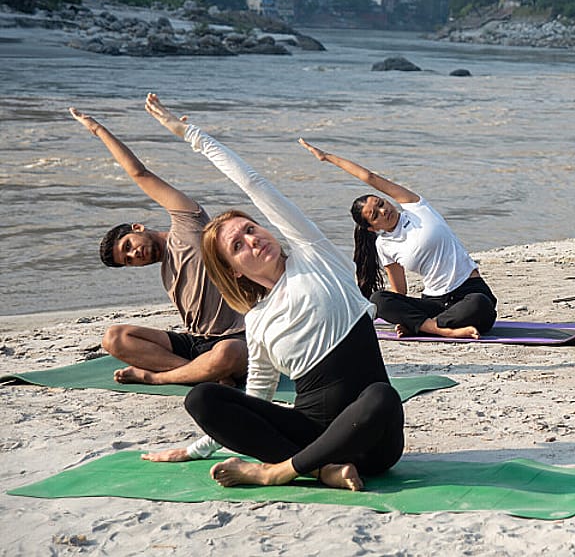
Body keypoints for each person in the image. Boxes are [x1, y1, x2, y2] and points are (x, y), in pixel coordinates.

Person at [141, 94, 404, 491]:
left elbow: (253, 183)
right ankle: (320, 471)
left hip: (374, 441)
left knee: (381, 396)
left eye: (250, 229)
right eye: (237, 246)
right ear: (232, 270)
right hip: (309, 434)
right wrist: (196, 450)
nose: (251, 240)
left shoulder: (313, 255)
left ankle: (277, 472)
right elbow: (257, 401)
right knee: (203, 400)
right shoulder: (258, 321)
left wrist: (191, 134)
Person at [69, 107, 246, 386]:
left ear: (137, 227)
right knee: (114, 338)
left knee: (229, 352)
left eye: (128, 245)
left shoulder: (189, 223)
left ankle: (159, 377)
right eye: (128, 260)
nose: (134, 255)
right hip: (197, 344)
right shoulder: (168, 276)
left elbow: (140, 174)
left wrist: (98, 130)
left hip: (236, 338)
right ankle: (198, 373)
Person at [298, 138, 497, 340]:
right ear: (372, 228)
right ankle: (440, 329)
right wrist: (397, 309)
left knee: (480, 304)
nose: (384, 211)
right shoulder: (383, 245)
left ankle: (425, 327)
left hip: (469, 292)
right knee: (379, 300)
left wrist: (327, 157)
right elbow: (399, 292)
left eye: (381, 203)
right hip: (434, 303)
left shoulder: (416, 207)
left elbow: (370, 177)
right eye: (375, 215)